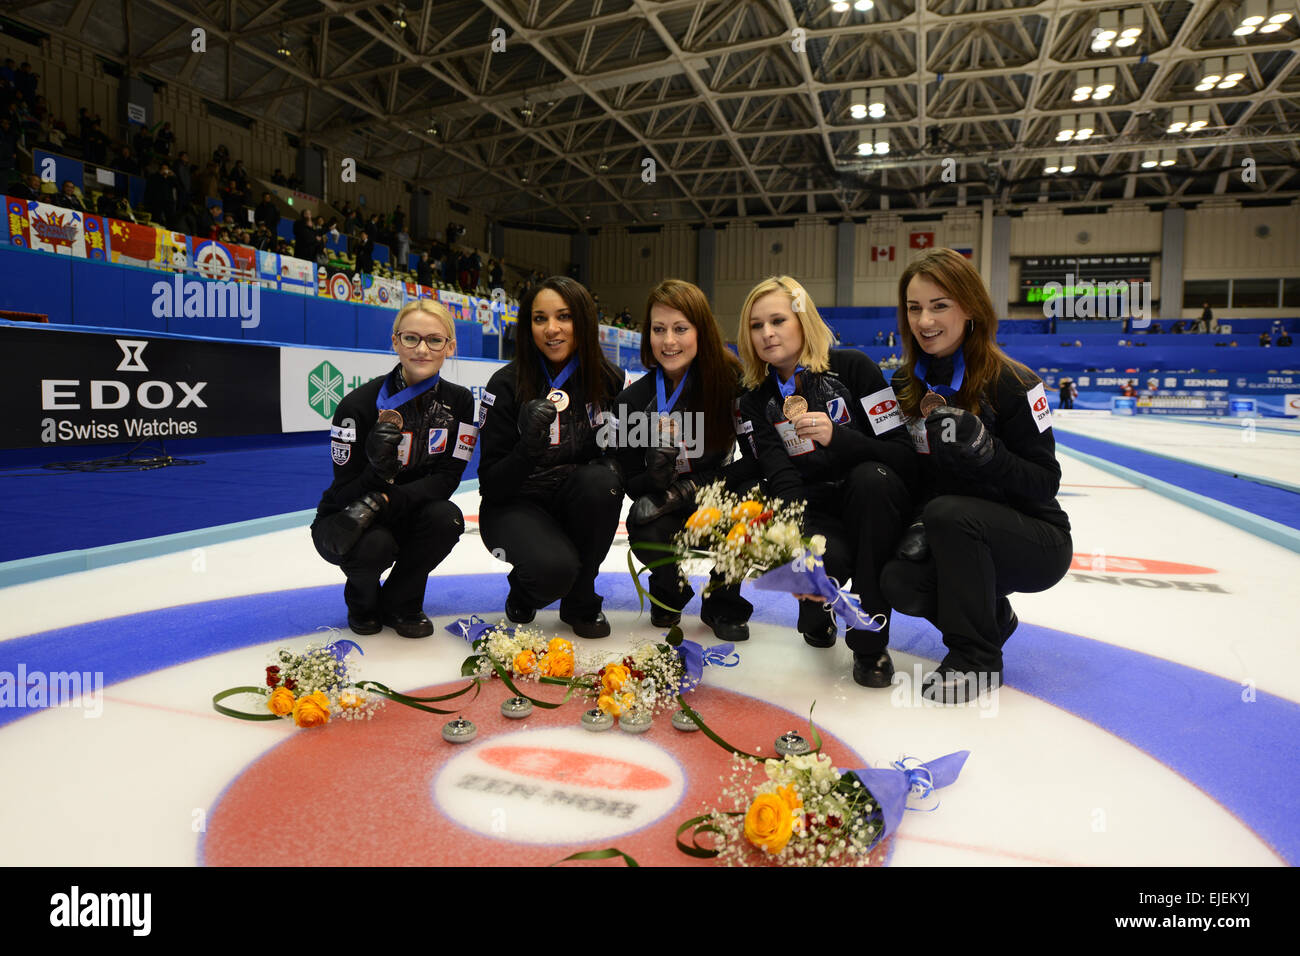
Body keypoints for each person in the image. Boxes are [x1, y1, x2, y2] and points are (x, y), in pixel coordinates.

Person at [879, 248, 1073, 703]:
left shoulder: (1015, 382)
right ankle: (993, 618)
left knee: (951, 513)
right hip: (955, 536)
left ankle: (977, 659)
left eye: (939, 305)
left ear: (970, 309)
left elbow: (1046, 482)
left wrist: (990, 452)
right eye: (914, 308)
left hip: (1034, 540)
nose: (924, 320)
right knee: (900, 582)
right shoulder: (904, 387)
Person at [736, 276, 915, 688]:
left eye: (778, 320)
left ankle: (870, 641)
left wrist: (840, 438)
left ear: (802, 320)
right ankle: (815, 605)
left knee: (872, 481)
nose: (767, 333)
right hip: (816, 511)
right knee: (817, 556)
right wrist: (800, 547)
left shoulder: (856, 369)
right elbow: (781, 476)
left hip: (871, 504)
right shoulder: (753, 399)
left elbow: (902, 455)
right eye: (756, 325)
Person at [311, 299, 474, 638]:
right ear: (396, 341)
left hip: (405, 508)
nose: (422, 349)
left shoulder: (460, 402)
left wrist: (387, 499)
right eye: (411, 338)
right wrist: (374, 471)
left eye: (434, 339)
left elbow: (446, 479)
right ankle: (363, 602)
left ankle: (403, 602)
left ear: (450, 347)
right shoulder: (356, 405)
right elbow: (342, 493)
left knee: (447, 518)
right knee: (376, 546)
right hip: (353, 515)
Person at [477, 276, 626, 639]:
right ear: (528, 326)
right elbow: (492, 484)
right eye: (539, 318)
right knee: (552, 571)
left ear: (584, 322)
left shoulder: (609, 380)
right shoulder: (504, 384)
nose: (552, 329)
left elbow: (616, 452)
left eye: (564, 317)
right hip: (515, 504)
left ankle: (581, 599)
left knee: (603, 482)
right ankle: (527, 586)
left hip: (572, 500)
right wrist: (527, 447)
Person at [615, 279, 758, 642]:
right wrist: (652, 477)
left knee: (754, 502)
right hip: (668, 503)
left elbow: (757, 459)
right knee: (642, 519)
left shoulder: (731, 381)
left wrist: (689, 488)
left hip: (716, 496)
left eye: (681, 329)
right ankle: (669, 590)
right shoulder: (634, 399)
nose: (669, 341)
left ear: (701, 330)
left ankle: (723, 601)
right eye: (659, 329)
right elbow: (630, 480)